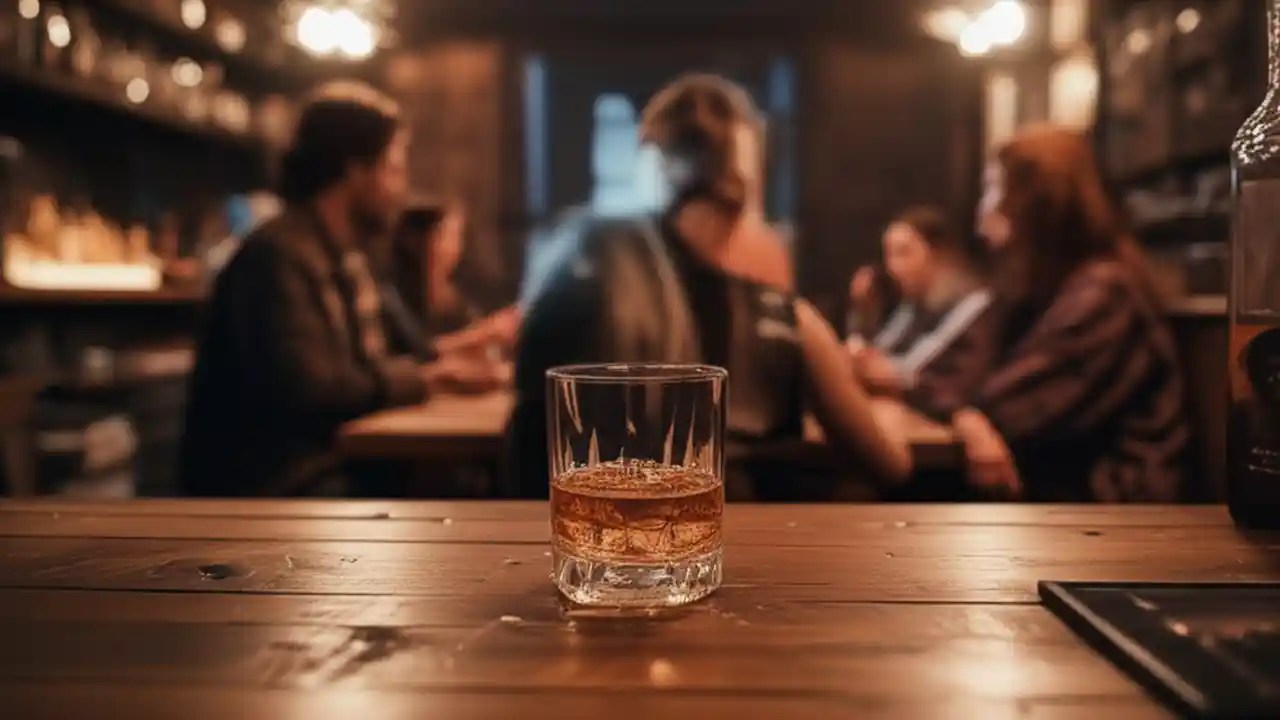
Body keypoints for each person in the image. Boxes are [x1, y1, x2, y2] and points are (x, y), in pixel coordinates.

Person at [511, 73, 911, 498]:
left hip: (568, 545)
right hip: (735, 550)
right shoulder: (785, 318)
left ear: (651, 168)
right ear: (747, 182)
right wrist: (887, 410)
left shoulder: (573, 274)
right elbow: (890, 465)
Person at [180, 82, 501, 497]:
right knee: (466, 490)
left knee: (469, 480)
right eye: (393, 168)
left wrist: (443, 365)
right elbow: (316, 390)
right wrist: (431, 378)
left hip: (328, 467)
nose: (401, 188)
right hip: (278, 488)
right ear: (354, 170)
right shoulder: (280, 256)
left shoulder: (342, 255)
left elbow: (387, 357)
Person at [950, 125, 1188, 502]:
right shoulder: (1044, 289)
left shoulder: (1105, 293)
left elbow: (1006, 410)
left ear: (1037, 199)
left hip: (1114, 518)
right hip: (1063, 502)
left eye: (994, 188)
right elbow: (954, 378)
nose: (985, 208)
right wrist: (967, 416)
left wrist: (969, 415)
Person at [846, 207, 997, 415]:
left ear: (938, 254)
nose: (893, 266)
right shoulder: (913, 304)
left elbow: (954, 387)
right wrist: (862, 310)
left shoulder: (974, 306)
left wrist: (893, 377)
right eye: (889, 255)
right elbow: (878, 352)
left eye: (904, 253)